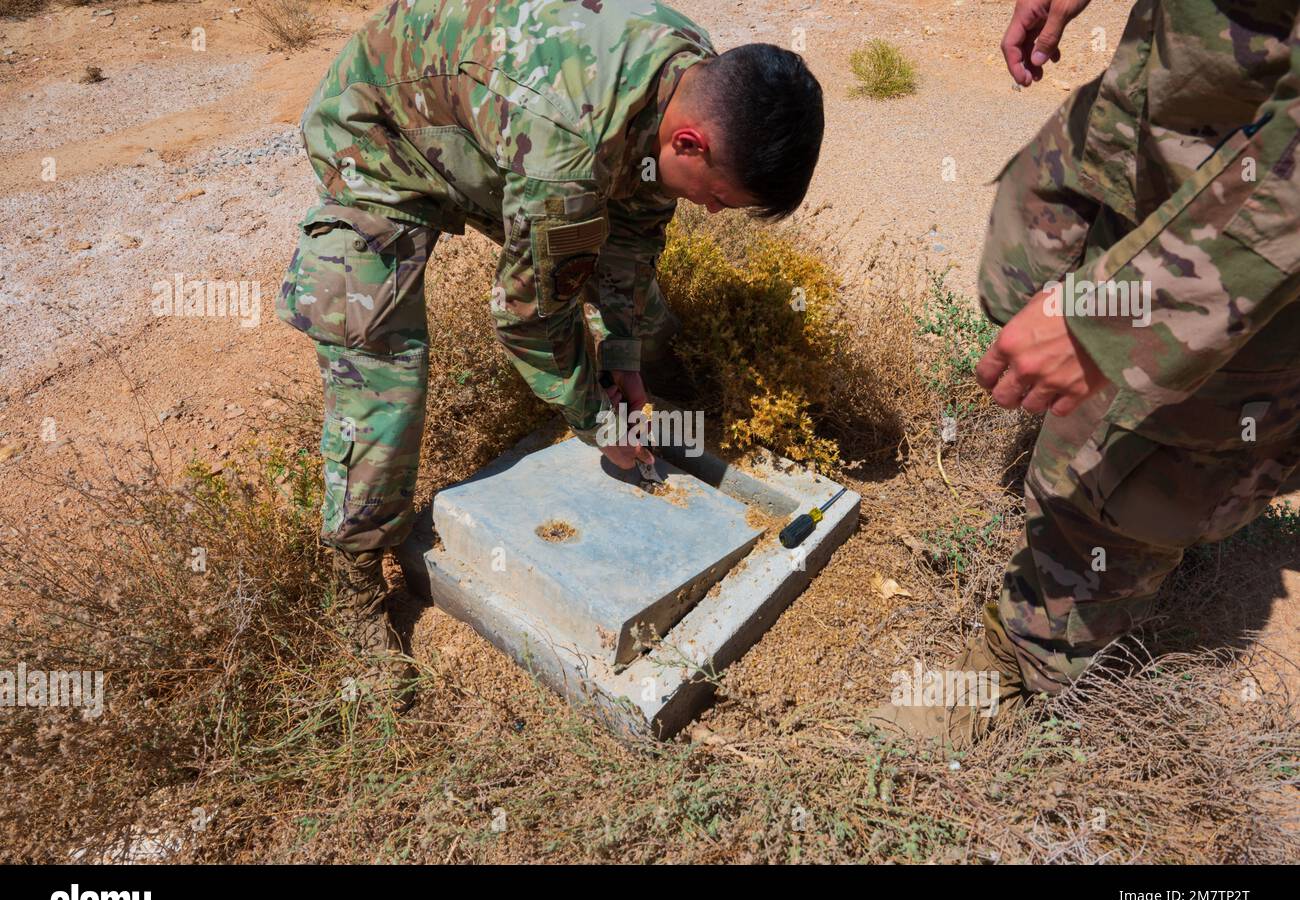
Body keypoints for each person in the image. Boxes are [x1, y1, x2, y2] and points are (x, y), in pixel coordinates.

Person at [274, 0, 825, 699]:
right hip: (380, 130)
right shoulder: (569, 151)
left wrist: (621, 354)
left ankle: (642, 352)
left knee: (638, 304)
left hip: (491, 122)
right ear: (689, 143)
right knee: (383, 362)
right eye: (717, 197)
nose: (712, 212)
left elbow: (634, 225)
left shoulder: (692, 67)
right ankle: (352, 585)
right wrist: (596, 419)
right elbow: (528, 316)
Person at [873, 0, 1300, 747]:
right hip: (1167, 118)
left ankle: (1026, 657)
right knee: (1024, 253)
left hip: (1260, 205)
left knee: (1132, 466)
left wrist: (1115, 316)